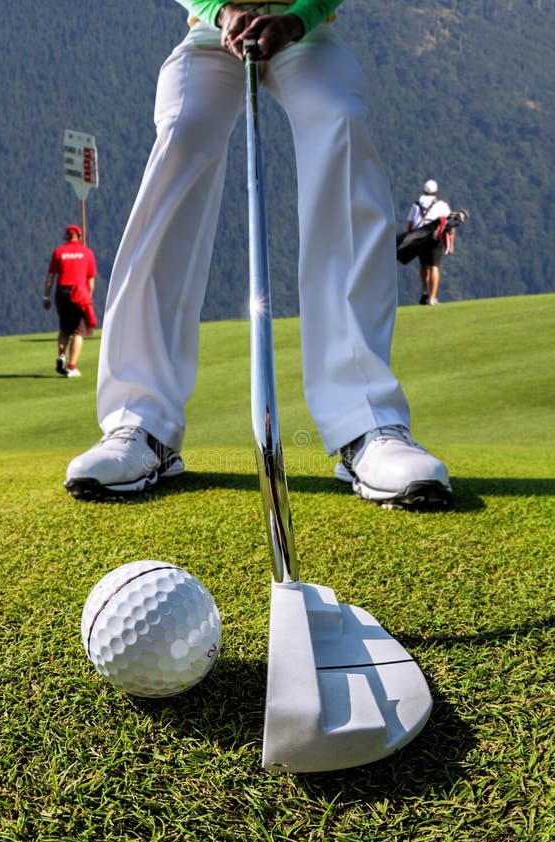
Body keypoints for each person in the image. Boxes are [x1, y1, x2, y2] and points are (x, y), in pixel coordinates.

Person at [64, 1, 452, 509]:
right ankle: (141, 421)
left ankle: (365, 422)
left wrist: (298, 18)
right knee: (183, 129)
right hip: (213, 31)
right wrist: (219, 10)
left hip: (305, 26)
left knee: (338, 119)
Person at [43, 225, 97, 377]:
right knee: (79, 332)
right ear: (79, 237)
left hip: (62, 292)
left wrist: (46, 297)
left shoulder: (58, 252)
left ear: (66, 237)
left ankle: (61, 355)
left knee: (64, 329)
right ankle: (71, 367)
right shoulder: (87, 253)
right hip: (79, 292)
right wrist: (88, 297)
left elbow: (50, 277)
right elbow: (91, 279)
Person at [406, 179, 452, 305]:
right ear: (436, 192)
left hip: (419, 236)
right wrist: (450, 244)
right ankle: (432, 298)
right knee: (434, 266)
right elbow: (450, 225)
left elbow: (410, 225)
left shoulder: (416, 205)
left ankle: (424, 292)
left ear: (424, 191)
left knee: (423, 264)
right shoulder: (442, 205)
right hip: (434, 237)